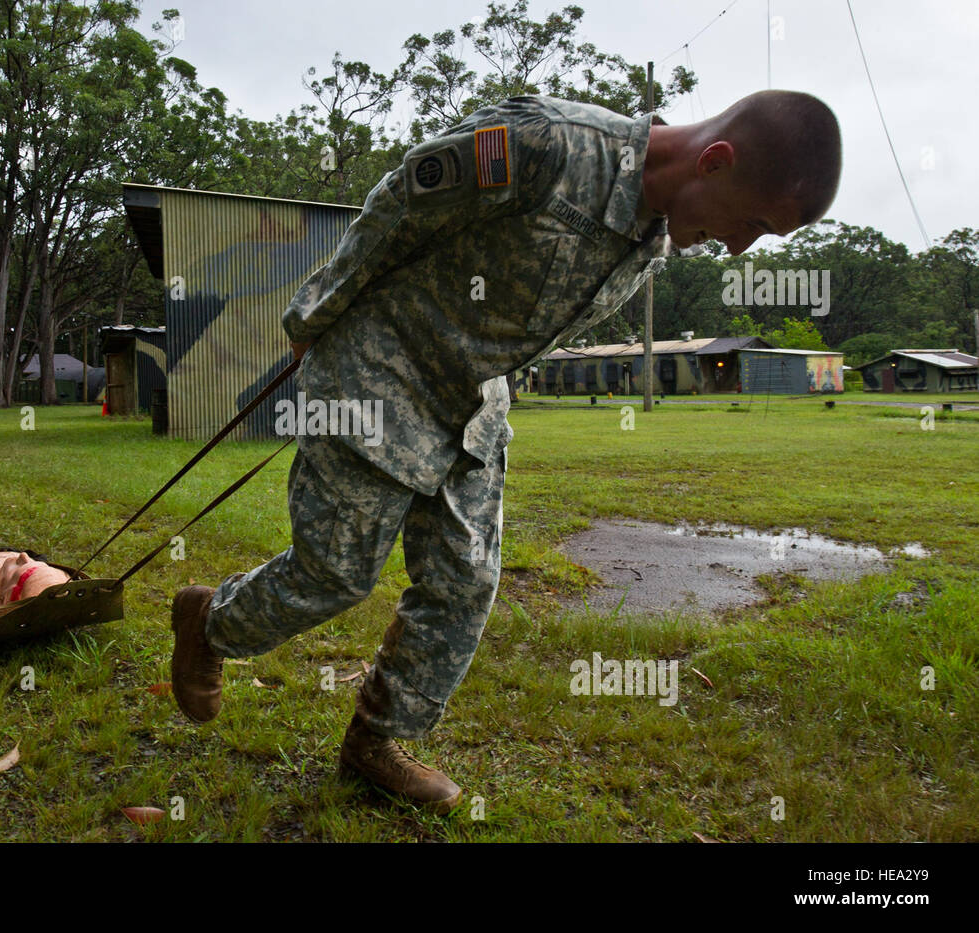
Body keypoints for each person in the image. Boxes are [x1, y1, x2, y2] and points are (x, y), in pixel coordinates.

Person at [170, 90, 842, 813]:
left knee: (465, 582)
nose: (738, 246)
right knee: (335, 572)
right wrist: (312, 316)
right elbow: (399, 205)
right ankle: (209, 621)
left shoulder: (652, 239)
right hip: (382, 368)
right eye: (753, 224)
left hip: (470, 402)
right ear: (715, 161)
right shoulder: (545, 144)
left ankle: (376, 741)